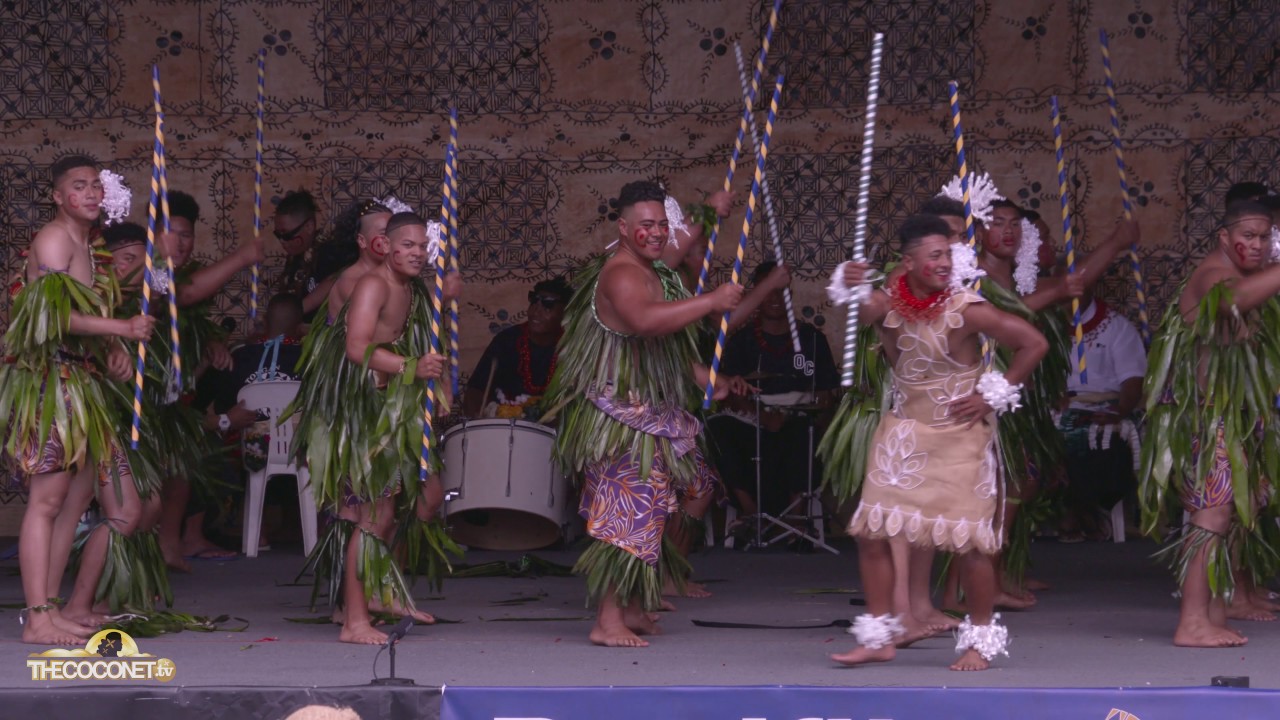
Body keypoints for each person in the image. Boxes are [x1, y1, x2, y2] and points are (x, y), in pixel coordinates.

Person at [827, 214, 1048, 671]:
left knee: (971, 545)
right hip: (903, 434)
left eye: (948, 253)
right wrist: (849, 285)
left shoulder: (967, 309)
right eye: (935, 255)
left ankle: (980, 642)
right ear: (908, 263)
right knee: (871, 533)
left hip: (959, 438)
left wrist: (991, 395)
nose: (945, 262)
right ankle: (879, 634)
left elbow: (1033, 343)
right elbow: (861, 309)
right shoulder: (887, 305)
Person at [543, 180, 747, 648]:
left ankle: (632, 608)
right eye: (646, 226)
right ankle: (607, 621)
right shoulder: (622, 274)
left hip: (644, 409)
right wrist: (712, 302)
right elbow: (646, 321)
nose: (656, 234)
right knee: (625, 514)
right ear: (623, 227)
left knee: (649, 511)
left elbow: (676, 250)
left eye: (662, 225)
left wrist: (710, 213)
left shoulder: (652, 266)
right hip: (616, 414)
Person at [0, 155, 155, 644]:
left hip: (79, 380)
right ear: (58, 196)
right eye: (79, 186)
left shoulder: (92, 249)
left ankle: (54, 609)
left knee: (72, 503)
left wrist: (111, 349)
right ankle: (39, 617)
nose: (90, 193)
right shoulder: (53, 240)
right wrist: (121, 328)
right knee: (45, 502)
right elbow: (51, 317)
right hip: (49, 382)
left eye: (95, 186)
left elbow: (85, 315)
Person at [291, 211, 454, 645]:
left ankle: (379, 595)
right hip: (361, 411)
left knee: (398, 509)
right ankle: (353, 620)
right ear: (386, 247)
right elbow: (357, 346)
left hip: (389, 407)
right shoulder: (372, 285)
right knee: (368, 518)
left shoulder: (410, 289)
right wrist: (411, 368)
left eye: (422, 246)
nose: (416, 254)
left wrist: (435, 382)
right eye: (407, 246)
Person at [1139, 199, 1280, 647]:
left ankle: (1213, 612)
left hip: (1230, 415)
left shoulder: (1247, 274)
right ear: (1224, 237)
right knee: (1212, 513)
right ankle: (1192, 621)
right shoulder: (1212, 275)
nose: (1257, 246)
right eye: (1249, 237)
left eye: (1265, 237)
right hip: (1202, 416)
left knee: (1233, 511)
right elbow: (1230, 303)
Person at [709, 261, 839, 517]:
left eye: (781, 291)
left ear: (790, 295)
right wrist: (762, 417)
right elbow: (728, 392)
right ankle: (751, 515)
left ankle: (796, 520)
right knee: (716, 429)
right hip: (752, 423)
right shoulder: (740, 340)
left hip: (798, 421)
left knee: (807, 434)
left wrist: (809, 415)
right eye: (768, 291)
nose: (775, 298)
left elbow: (826, 393)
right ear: (755, 295)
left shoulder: (812, 338)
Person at [1055, 287, 1146, 542]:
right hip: (1059, 406)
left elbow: (1132, 380)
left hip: (1105, 407)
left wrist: (1120, 410)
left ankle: (1081, 510)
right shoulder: (1044, 325)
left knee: (1100, 442)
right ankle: (1075, 511)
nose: (1067, 295)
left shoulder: (1117, 327)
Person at [463, 277, 572, 417]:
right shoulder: (506, 341)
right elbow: (475, 391)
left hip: (549, 431)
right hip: (502, 428)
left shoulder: (570, 347)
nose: (536, 310)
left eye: (548, 305)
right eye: (534, 301)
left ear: (566, 312)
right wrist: (486, 414)